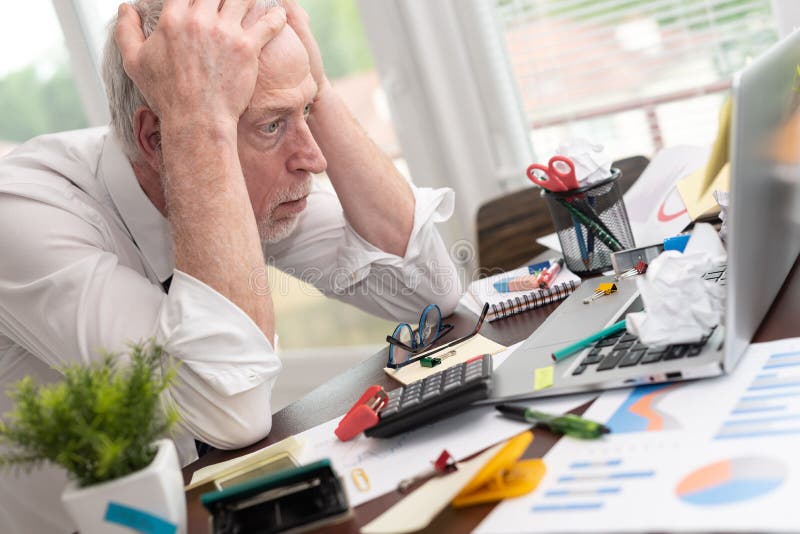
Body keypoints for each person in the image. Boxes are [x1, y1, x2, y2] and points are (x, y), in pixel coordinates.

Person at [0, 0, 460, 530]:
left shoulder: (254, 182)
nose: (314, 157)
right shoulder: (24, 216)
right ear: (157, 139)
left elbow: (427, 292)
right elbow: (232, 413)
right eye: (271, 126)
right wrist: (197, 125)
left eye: (304, 114)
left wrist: (317, 86)